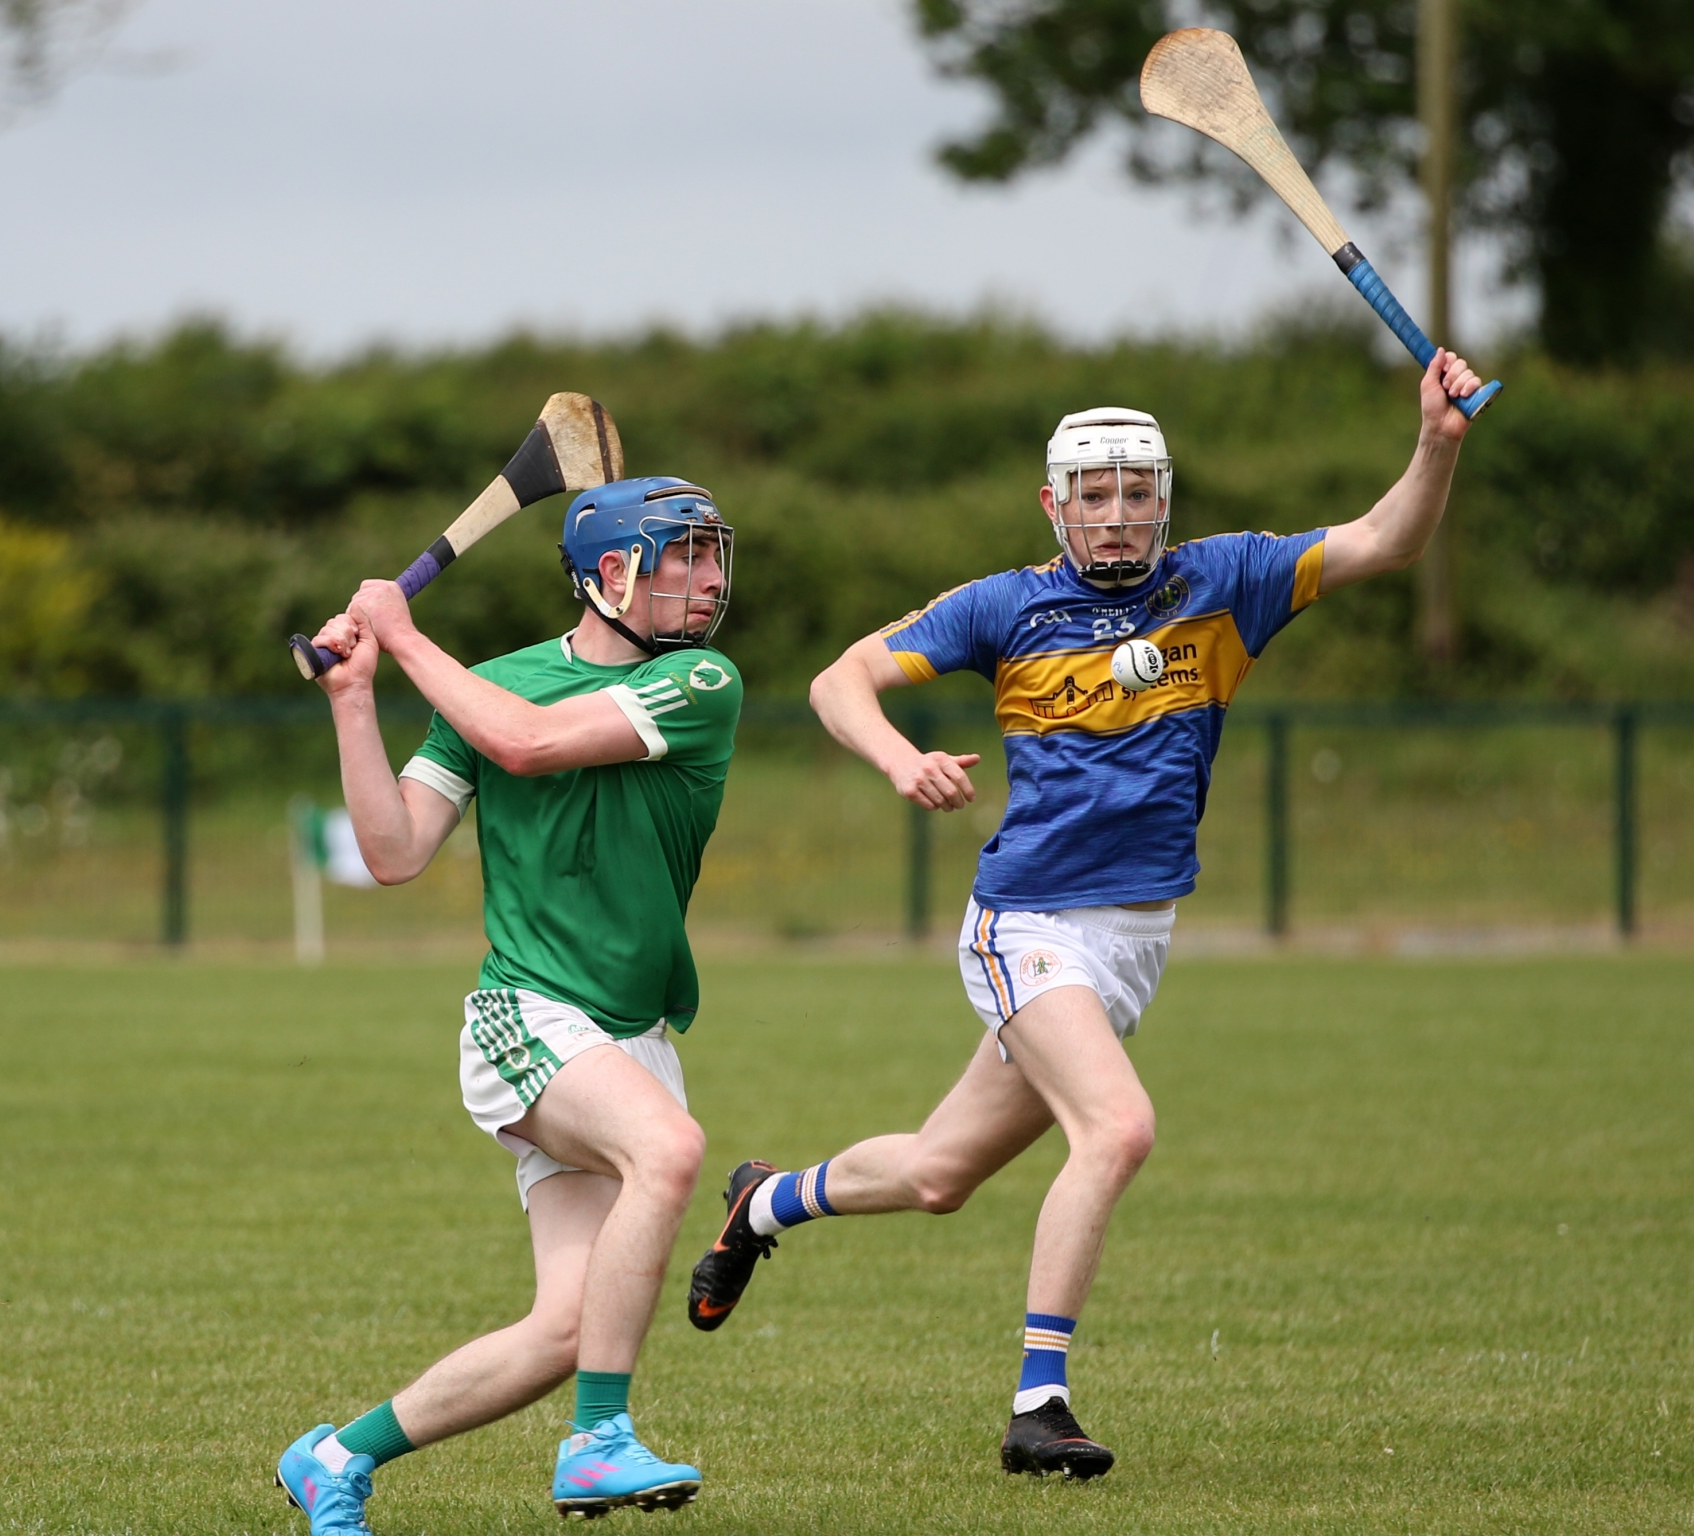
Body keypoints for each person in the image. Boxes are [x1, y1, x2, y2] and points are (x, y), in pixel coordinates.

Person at [686, 351, 1487, 1479]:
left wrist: (1437, 443)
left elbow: (1386, 539)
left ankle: (762, 1204)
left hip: (1130, 944)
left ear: (1166, 500)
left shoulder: (1231, 581)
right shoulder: (1004, 606)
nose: (1118, 518)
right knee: (1115, 1129)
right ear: (1053, 504)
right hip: (1028, 926)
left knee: (936, 1175)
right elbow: (837, 682)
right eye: (1094, 496)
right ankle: (1039, 1406)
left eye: (1138, 493)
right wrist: (899, 757)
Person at [277, 476, 741, 1531]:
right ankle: (599, 1443)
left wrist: (398, 640)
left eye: (716, 555)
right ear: (612, 574)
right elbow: (393, 850)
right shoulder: (490, 684)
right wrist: (356, 701)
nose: (711, 579)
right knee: (669, 1153)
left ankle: (336, 1457)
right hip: (524, 1017)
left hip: (632, 1031)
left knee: (568, 1330)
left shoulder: (705, 680)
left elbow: (528, 742)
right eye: (687, 555)